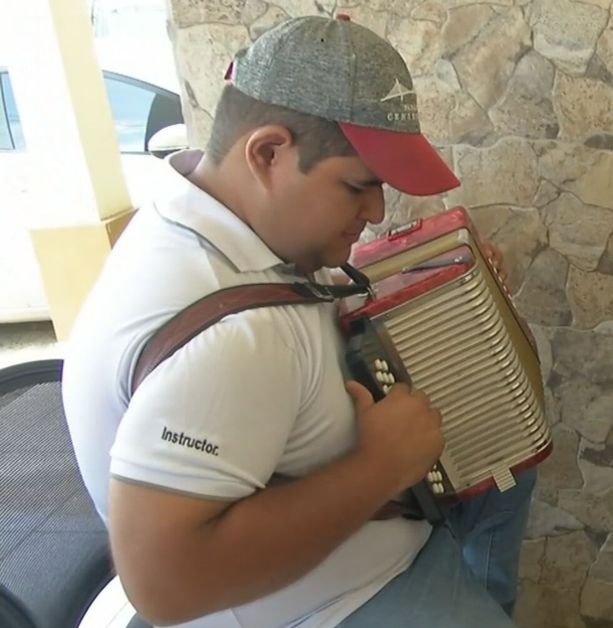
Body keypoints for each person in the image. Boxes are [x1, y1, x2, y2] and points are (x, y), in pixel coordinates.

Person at [62, 14, 533, 628]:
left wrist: (432, 274)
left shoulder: (189, 219)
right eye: (358, 187)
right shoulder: (233, 341)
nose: (377, 209)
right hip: (331, 604)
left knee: (508, 468)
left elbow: (281, 295)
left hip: (358, 554)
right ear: (267, 152)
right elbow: (164, 585)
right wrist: (381, 467)